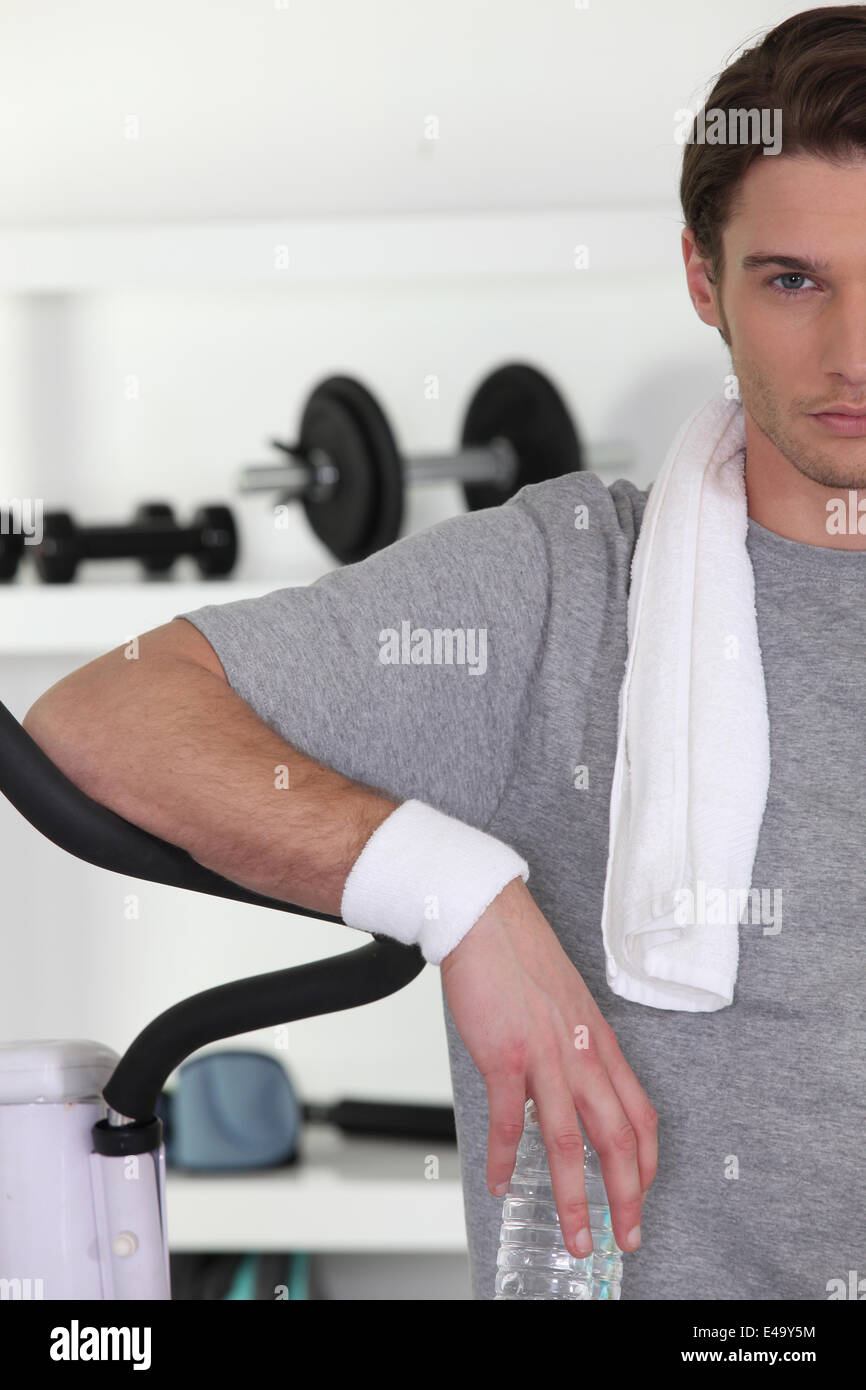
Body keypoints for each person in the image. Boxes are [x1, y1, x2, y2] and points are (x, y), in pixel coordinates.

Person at [22, 6, 866, 1299]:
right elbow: (99, 719)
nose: (851, 351)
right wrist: (454, 892)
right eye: (792, 279)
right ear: (702, 278)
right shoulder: (562, 588)